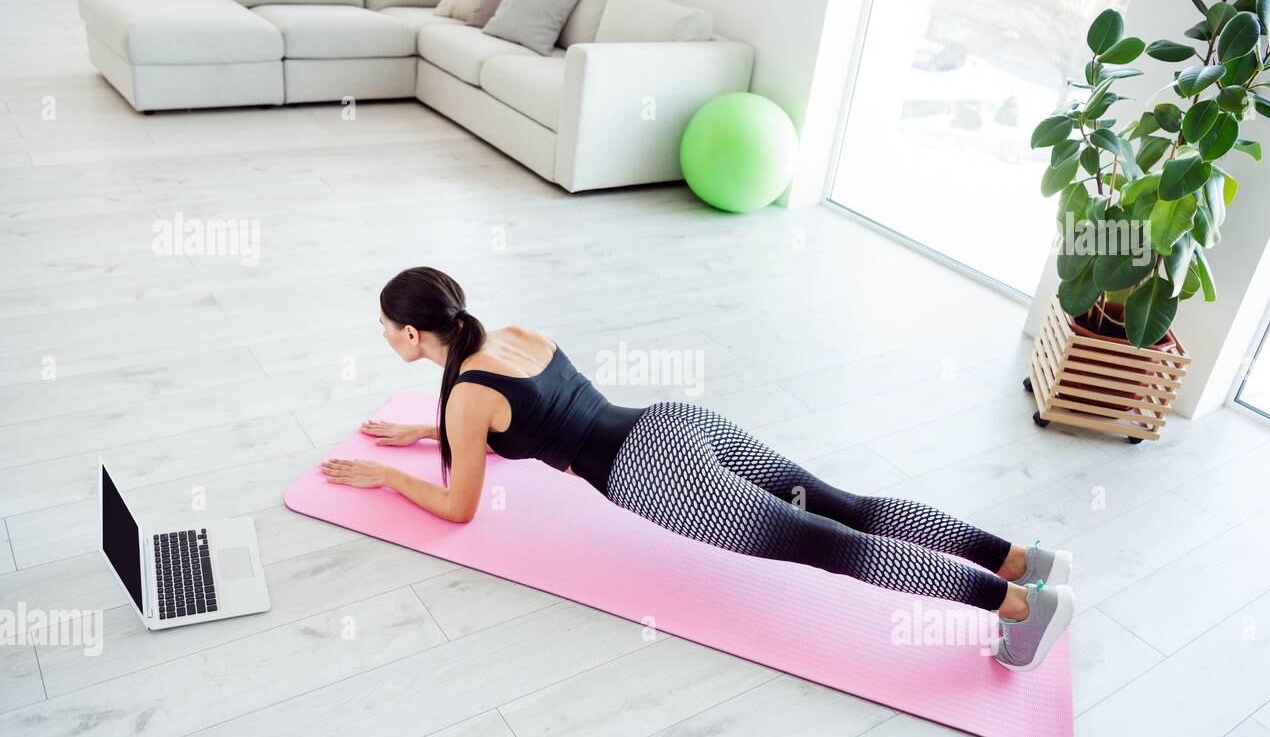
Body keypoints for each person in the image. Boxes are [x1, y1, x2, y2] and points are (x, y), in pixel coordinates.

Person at [321, 268, 1075, 671]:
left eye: (386, 328)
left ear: (412, 332)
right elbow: (531, 414)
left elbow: (459, 508)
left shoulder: (468, 399)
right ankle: (1022, 558)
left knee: (829, 547)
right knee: (846, 506)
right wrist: (427, 428)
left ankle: (1018, 606)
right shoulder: (512, 335)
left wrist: (387, 475)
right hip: (674, 422)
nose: (386, 336)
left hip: (654, 476)